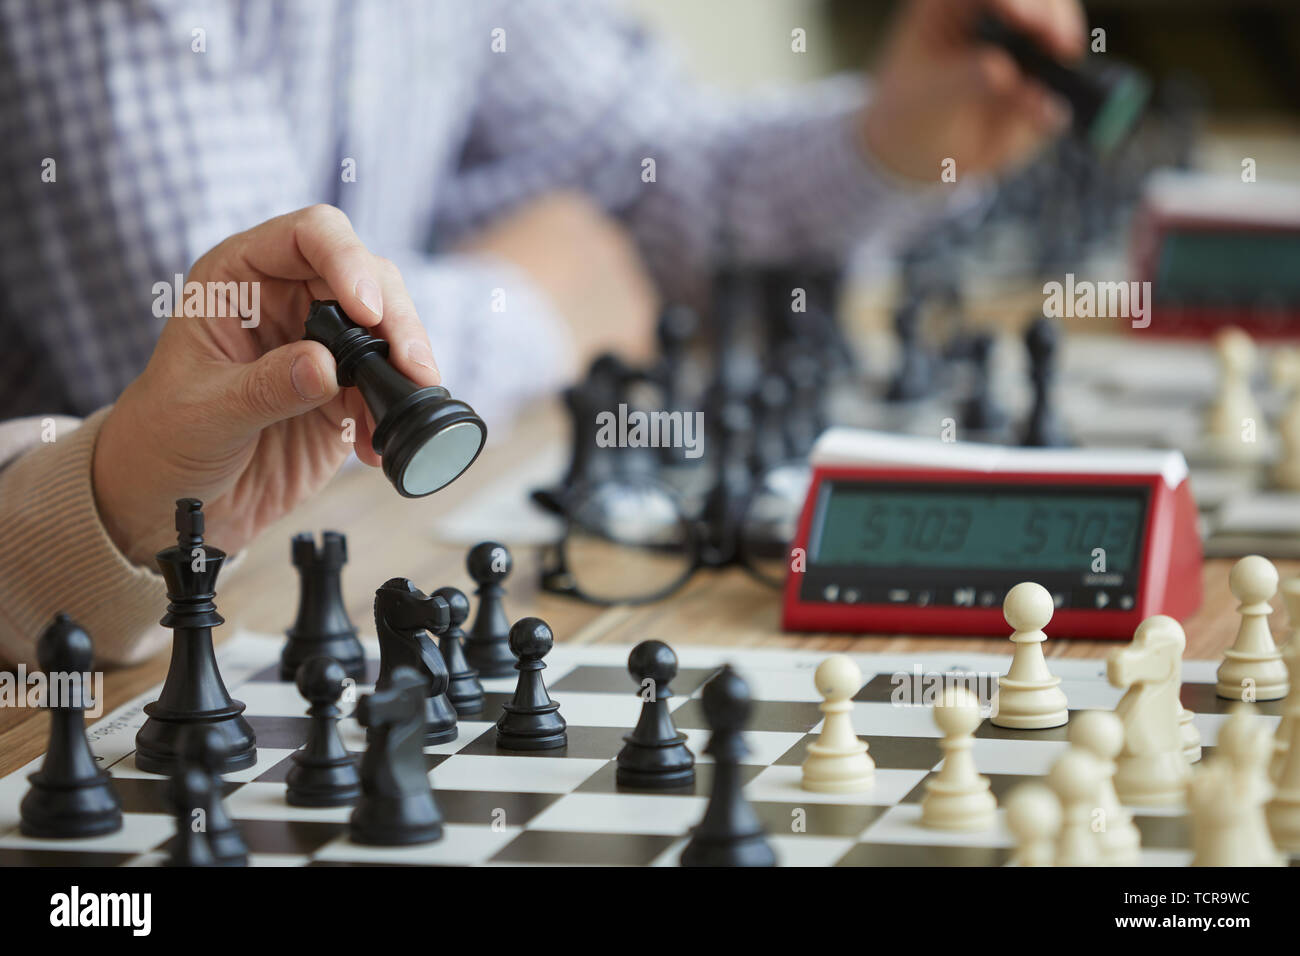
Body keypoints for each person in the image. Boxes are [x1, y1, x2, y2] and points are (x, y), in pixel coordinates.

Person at [0, 0, 1084, 668]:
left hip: (230, 572)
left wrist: (892, 139)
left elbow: (662, 174)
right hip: (114, 623)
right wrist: (534, 301)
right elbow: (210, 351)